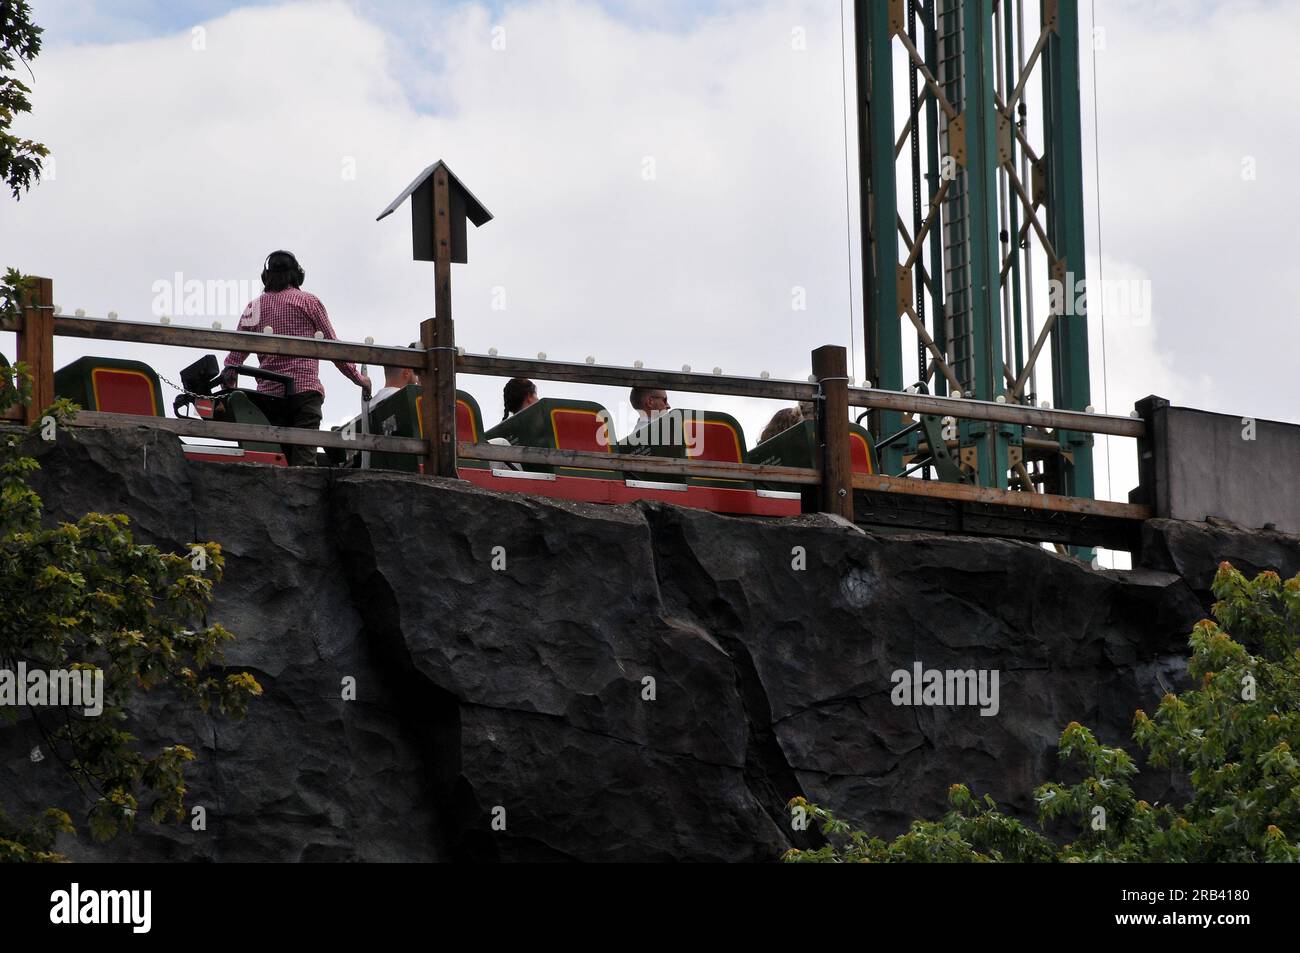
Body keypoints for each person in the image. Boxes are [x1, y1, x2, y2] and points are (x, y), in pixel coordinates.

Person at [222, 250, 371, 466]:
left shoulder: (253, 308)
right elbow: (334, 348)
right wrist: (359, 379)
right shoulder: (309, 302)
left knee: (275, 462)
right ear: (298, 275)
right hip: (305, 394)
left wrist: (230, 390)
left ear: (266, 276)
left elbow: (233, 360)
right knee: (304, 465)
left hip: (269, 399)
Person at [370, 343, 422, 411]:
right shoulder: (406, 398)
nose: (417, 374)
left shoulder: (371, 403)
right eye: (414, 369)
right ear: (407, 372)